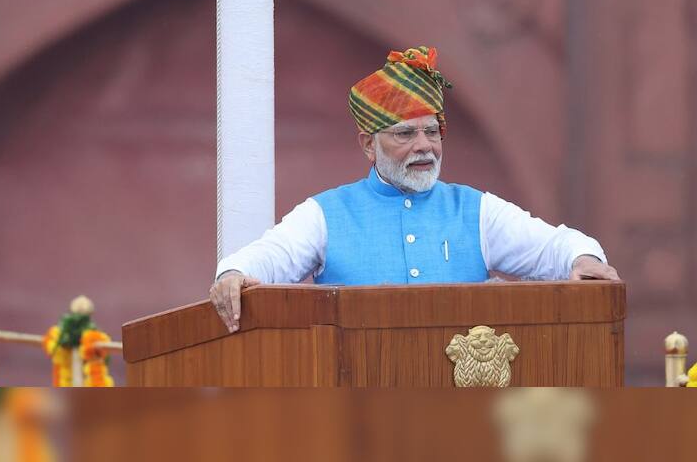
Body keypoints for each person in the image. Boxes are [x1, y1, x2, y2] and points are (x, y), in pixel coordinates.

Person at [209, 46, 620, 332]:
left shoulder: (474, 209)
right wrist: (234, 274)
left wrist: (581, 256)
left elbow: (555, 247)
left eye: (432, 131)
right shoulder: (326, 214)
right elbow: (265, 259)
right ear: (368, 144)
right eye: (405, 133)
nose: (424, 145)